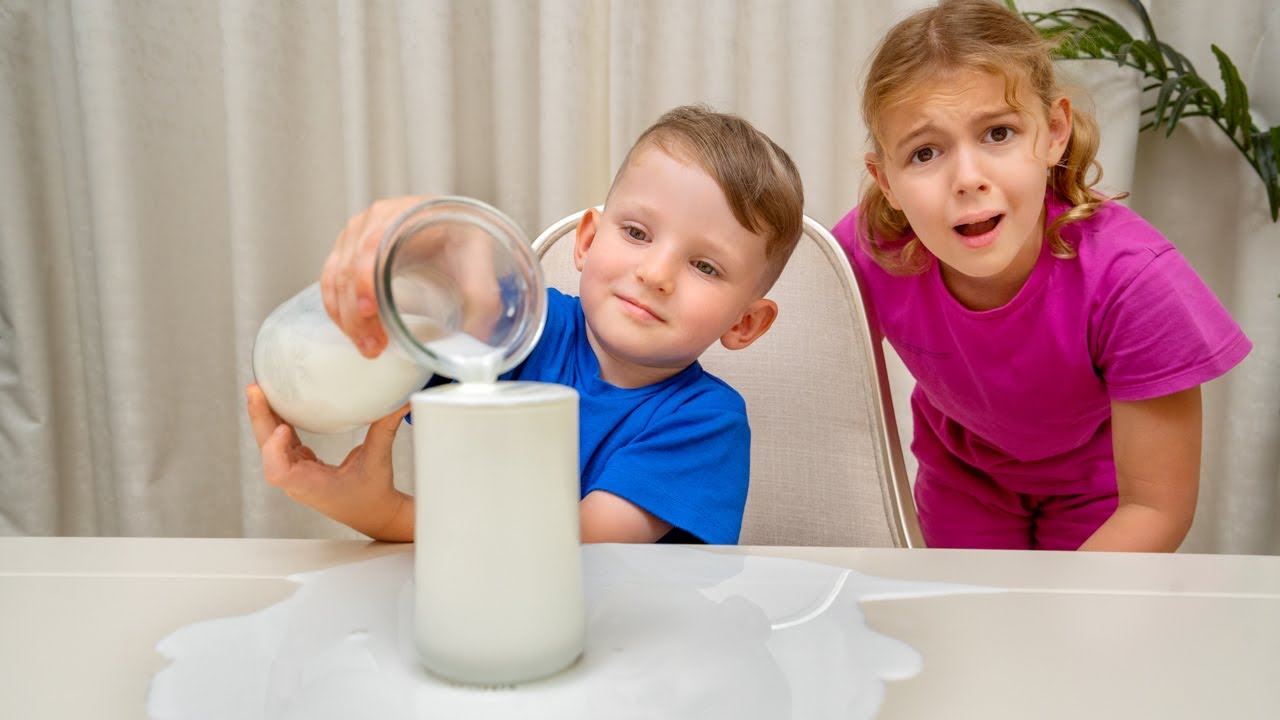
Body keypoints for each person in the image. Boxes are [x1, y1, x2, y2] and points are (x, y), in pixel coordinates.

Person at [246, 105, 805, 545]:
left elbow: (571, 549)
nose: (656, 273)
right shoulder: (524, 330)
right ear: (588, 241)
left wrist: (384, 514)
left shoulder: (706, 423)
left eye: (704, 266)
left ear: (746, 323)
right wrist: (416, 248)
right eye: (636, 233)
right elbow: (411, 329)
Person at [833, 0, 1252, 551]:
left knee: (1070, 633)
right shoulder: (872, 248)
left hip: (1104, 490)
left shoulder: (1133, 282)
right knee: (968, 628)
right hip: (964, 476)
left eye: (998, 134)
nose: (968, 178)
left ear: (1054, 131)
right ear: (885, 179)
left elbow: (1155, 506)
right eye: (925, 152)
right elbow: (769, 329)